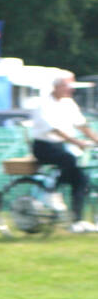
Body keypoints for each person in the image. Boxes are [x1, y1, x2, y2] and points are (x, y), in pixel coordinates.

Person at [30, 72, 98, 232]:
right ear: (57, 86)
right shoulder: (43, 104)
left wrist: (95, 139)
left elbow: (81, 124)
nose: (71, 89)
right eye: (68, 85)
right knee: (69, 159)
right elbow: (54, 129)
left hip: (60, 146)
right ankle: (50, 193)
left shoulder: (68, 103)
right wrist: (77, 142)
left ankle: (77, 222)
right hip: (43, 146)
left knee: (81, 179)